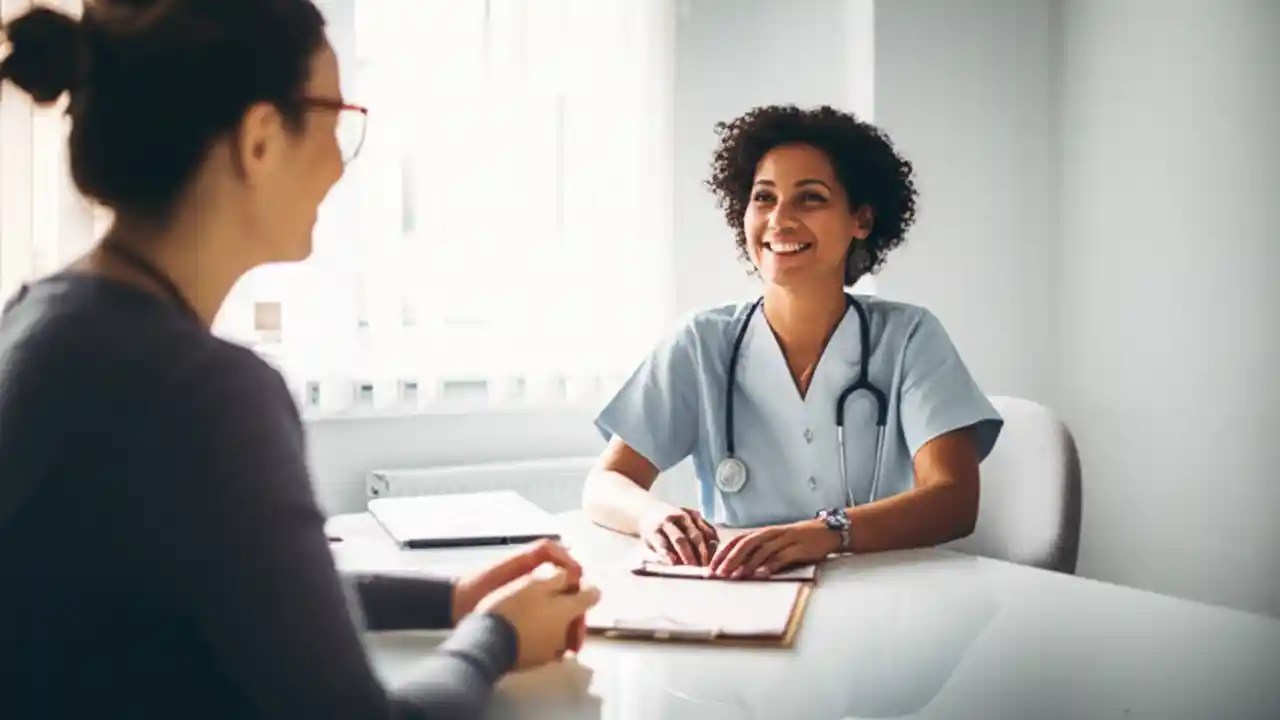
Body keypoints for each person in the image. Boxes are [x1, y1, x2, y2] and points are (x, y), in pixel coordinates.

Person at [0, 2, 598, 718]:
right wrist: (494, 636)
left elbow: (242, 581)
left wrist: (452, 597)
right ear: (259, 140)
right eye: (335, 115)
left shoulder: (41, 318)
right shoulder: (203, 392)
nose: (343, 163)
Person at [583, 105, 1003, 579]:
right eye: (764, 198)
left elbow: (954, 499)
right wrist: (652, 516)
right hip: (741, 593)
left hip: (884, 590)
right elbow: (606, 482)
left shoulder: (909, 338)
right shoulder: (701, 343)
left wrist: (827, 532)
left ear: (861, 220)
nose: (779, 220)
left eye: (810, 199)